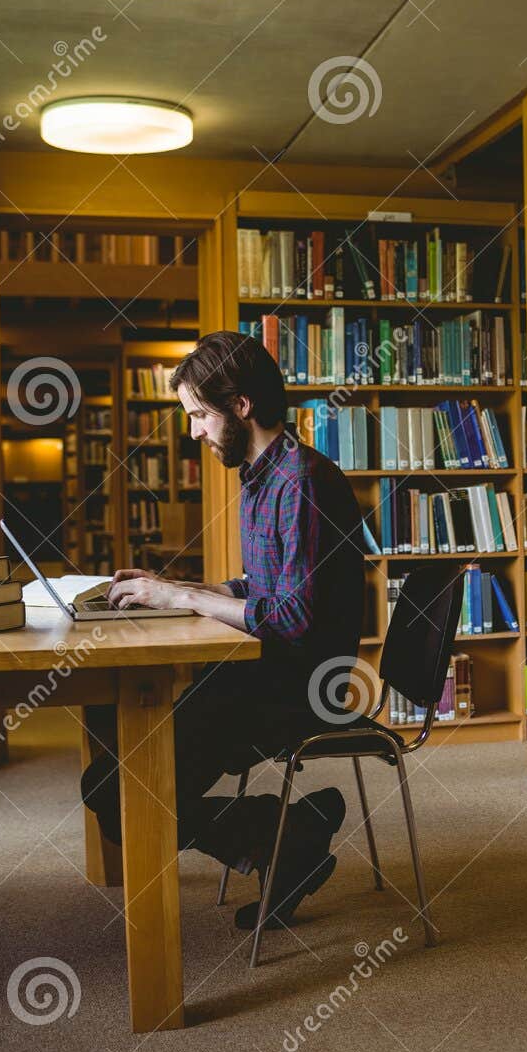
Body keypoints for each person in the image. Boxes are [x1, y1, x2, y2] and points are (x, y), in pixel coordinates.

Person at [80, 330, 366, 932]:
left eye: (199, 415)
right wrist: (177, 589)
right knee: (111, 769)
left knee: (113, 788)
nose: (193, 432)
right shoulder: (263, 477)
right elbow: (259, 586)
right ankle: (286, 833)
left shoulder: (302, 482)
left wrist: (179, 597)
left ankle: (281, 831)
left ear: (241, 406)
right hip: (259, 673)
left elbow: (291, 616)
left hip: (298, 689)